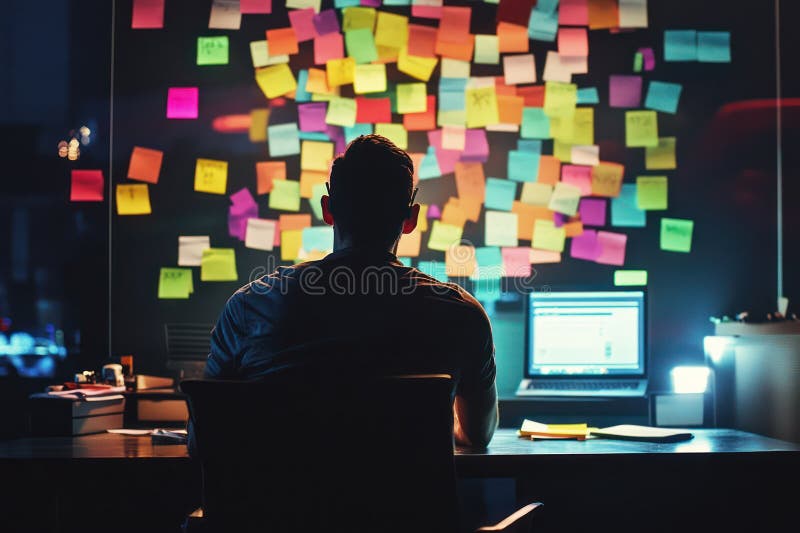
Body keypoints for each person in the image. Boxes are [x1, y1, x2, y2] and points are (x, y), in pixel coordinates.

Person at [204, 134, 498, 448]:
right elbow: (478, 435)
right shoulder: (460, 313)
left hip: (280, 497)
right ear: (411, 219)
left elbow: (204, 437)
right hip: (402, 498)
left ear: (328, 209)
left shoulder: (250, 307)